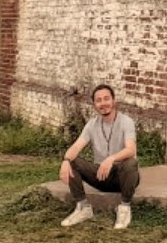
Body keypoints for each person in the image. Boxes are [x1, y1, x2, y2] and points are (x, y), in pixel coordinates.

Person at [58, 84, 139, 229]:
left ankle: (125, 208)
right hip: (101, 176)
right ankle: (83, 208)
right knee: (72, 162)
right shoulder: (91, 124)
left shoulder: (126, 122)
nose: (103, 103)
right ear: (95, 105)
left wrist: (111, 158)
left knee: (131, 163)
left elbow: (131, 149)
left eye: (106, 99)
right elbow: (76, 146)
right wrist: (65, 161)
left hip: (122, 177)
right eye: (99, 100)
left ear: (113, 101)